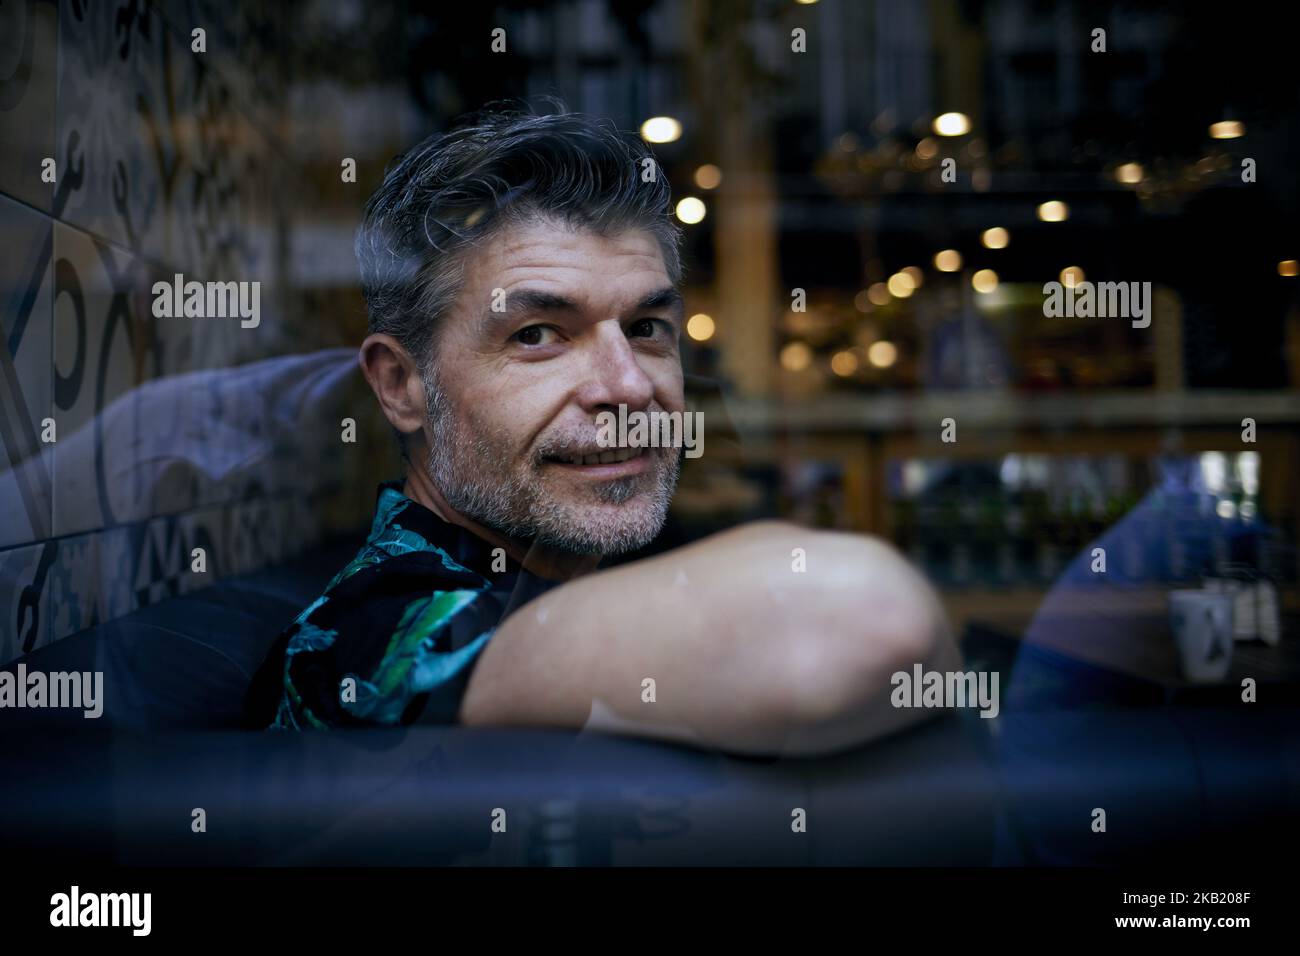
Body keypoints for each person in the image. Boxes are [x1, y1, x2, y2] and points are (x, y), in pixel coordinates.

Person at [243, 101, 958, 756]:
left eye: (647, 327)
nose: (628, 385)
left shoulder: (575, 569)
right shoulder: (365, 638)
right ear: (402, 387)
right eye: (537, 335)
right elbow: (860, 618)